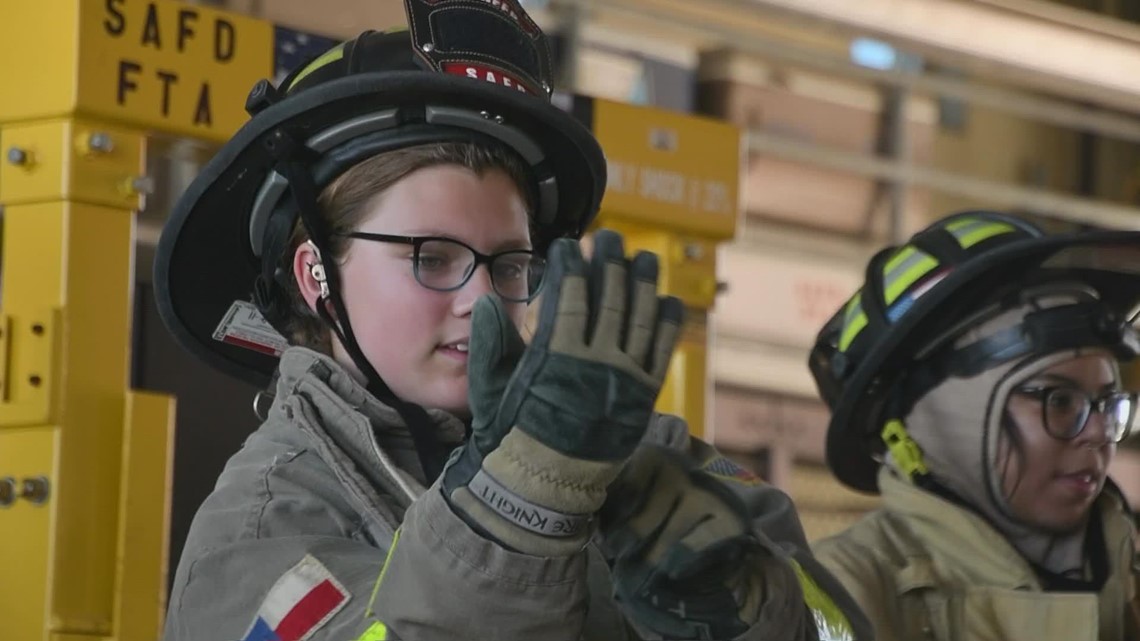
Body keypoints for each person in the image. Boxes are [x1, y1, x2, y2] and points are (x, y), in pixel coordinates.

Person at [153, 1, 871, 640]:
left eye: (508, 264)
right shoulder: (258, 530)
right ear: (316, 275)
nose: (485, 300)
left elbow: (834, 626)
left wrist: (739, 596)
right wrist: (519, 504)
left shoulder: (647, 455)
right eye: (432, 257)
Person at [806, 209, 1140, 640]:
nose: (1097, 433)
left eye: (1106, 404)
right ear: (946, 417)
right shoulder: (842, 597)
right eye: (1059, 401)